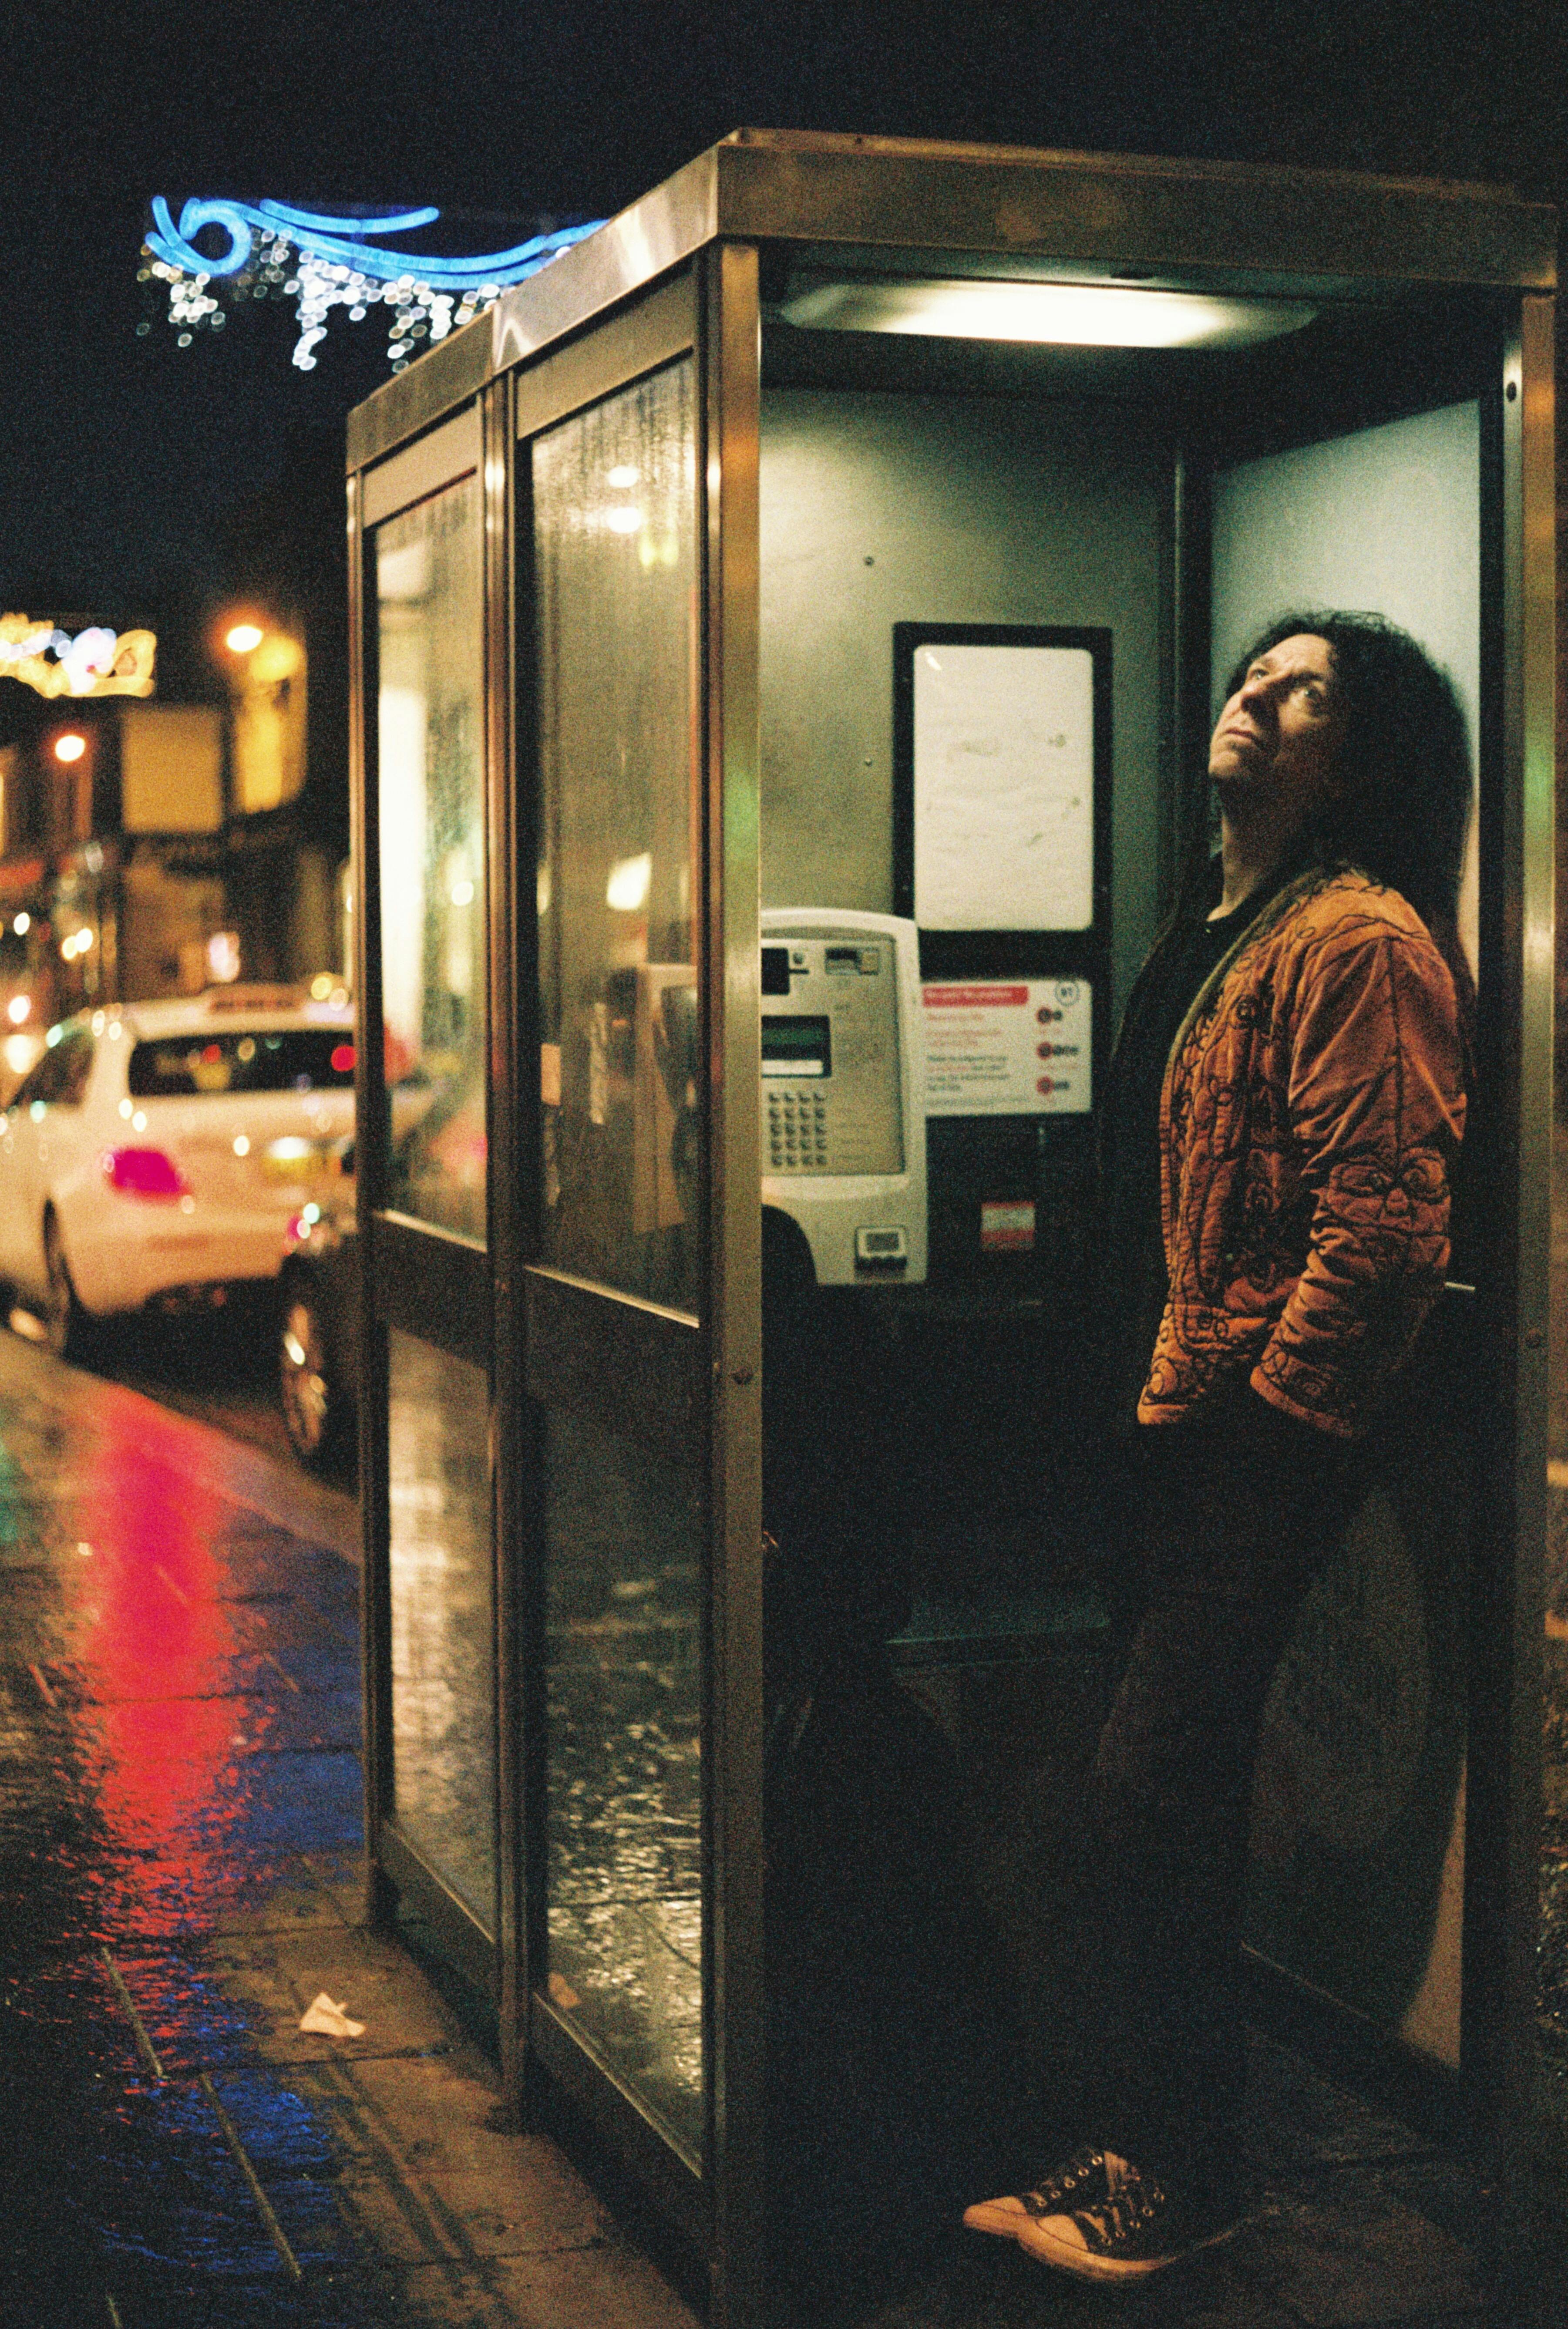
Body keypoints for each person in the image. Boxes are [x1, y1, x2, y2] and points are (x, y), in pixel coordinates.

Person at [963, 613, 1474, 2283]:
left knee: (1148, 1795)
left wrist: (1269, 1433)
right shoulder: (1216, 917)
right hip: (1157, 1426)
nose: (1256, 690)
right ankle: (1127, 2144)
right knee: (1148, 1807)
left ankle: (1185, 2168)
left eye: (1304, 686)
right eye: (1258, 667)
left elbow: (1384, 1228)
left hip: (1245, 1446)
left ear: (1361, 753)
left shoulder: (1359, 944)